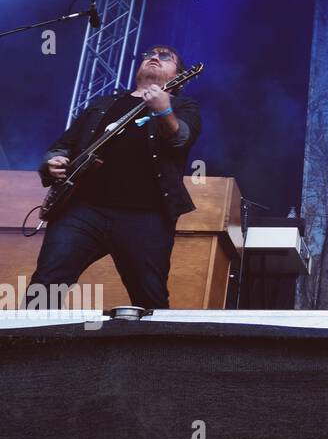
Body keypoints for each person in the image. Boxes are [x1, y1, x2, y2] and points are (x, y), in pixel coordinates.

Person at [28, 45, 201, 309]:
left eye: (165, 57)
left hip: (146, 215)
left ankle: (153, 351)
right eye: (149, 55)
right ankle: (26, 346)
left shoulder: (182, 106)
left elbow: (180, 139)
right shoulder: (103, 104)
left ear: (179, 76)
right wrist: (52, 162)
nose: (154, 58)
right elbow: (63, 145)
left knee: (150, 298)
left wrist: (164, 110)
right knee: (47, 283)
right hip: (82, 210)